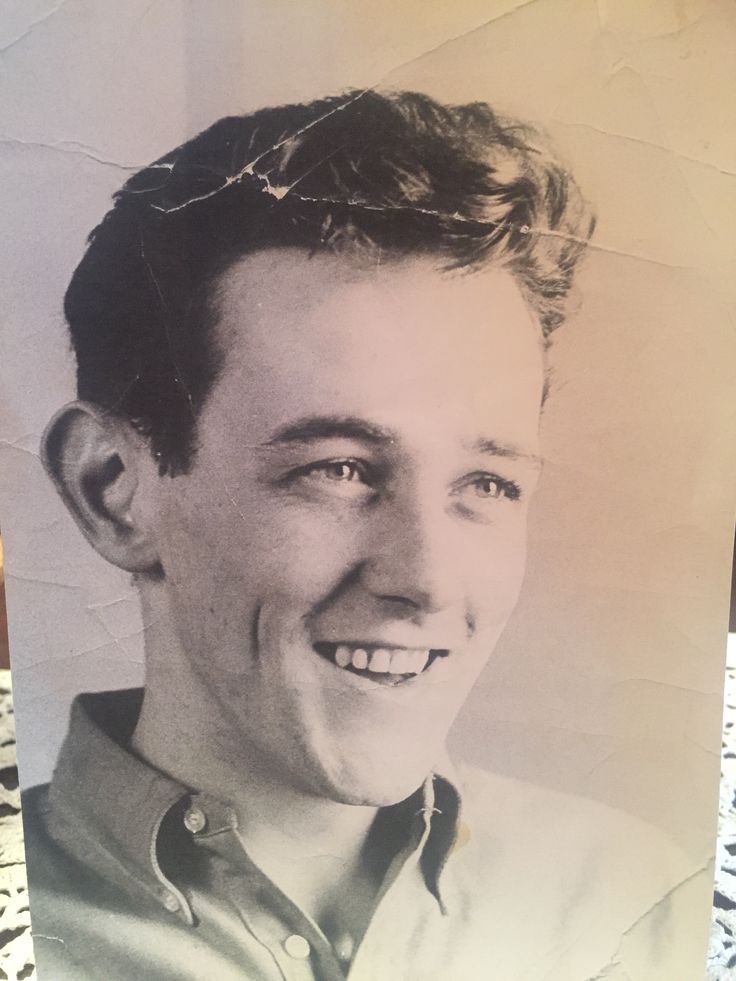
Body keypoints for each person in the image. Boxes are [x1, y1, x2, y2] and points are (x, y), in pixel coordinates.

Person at [22, 90, 698, 980]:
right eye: (338, 468)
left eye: (487, 483)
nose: (427, 578)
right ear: (114, 490)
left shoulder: (642, 907)